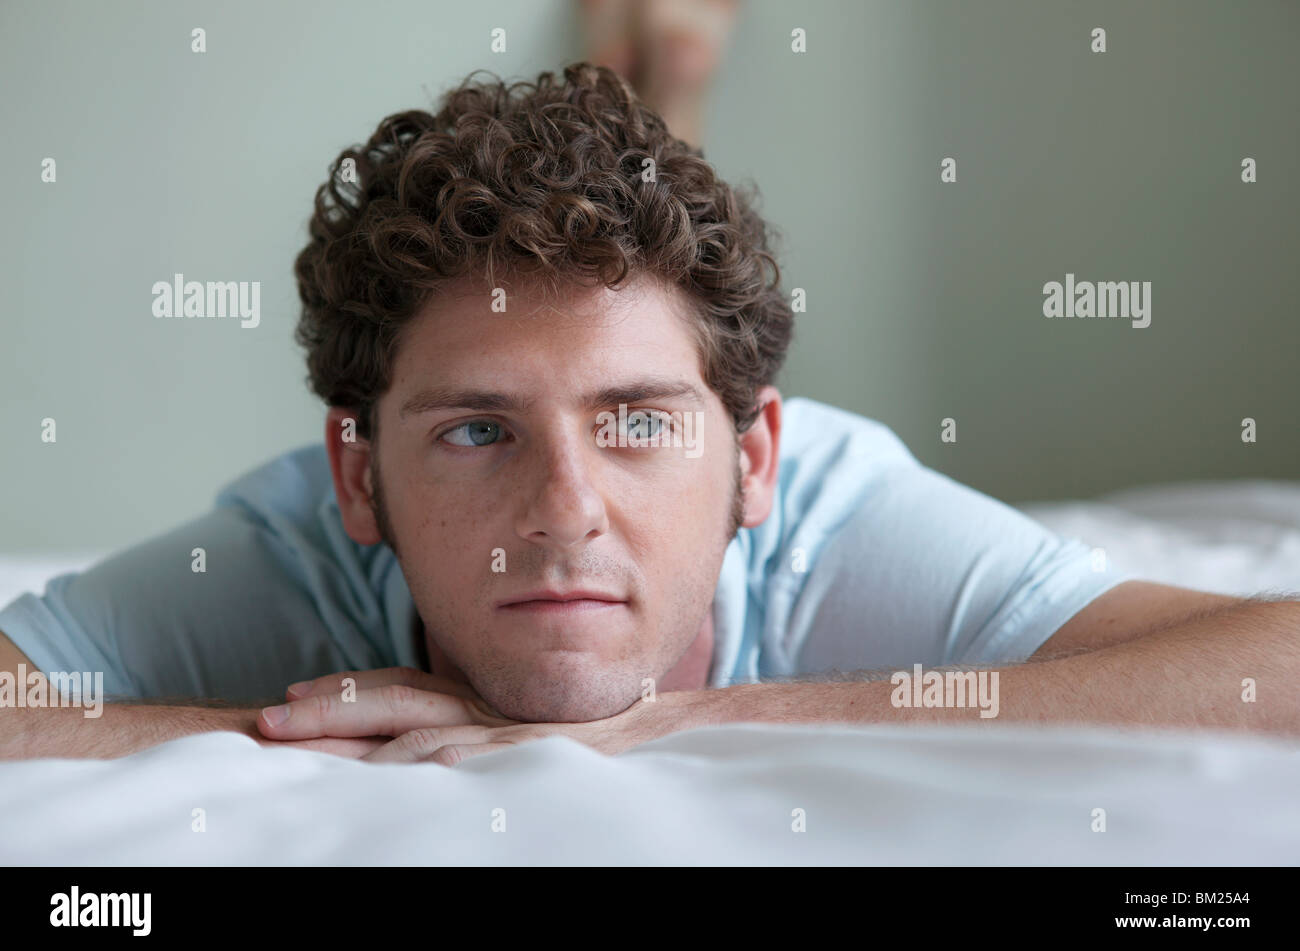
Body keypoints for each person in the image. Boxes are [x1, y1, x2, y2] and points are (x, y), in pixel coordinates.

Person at [2, 62, 1295, 765]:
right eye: (475, 430)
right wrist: (298, 734)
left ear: (757, 462)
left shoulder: (841, 528)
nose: (566, 516)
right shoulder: (297, 548)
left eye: (636, 422)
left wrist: (683, 719)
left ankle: (662, 76)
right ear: (357, 478)